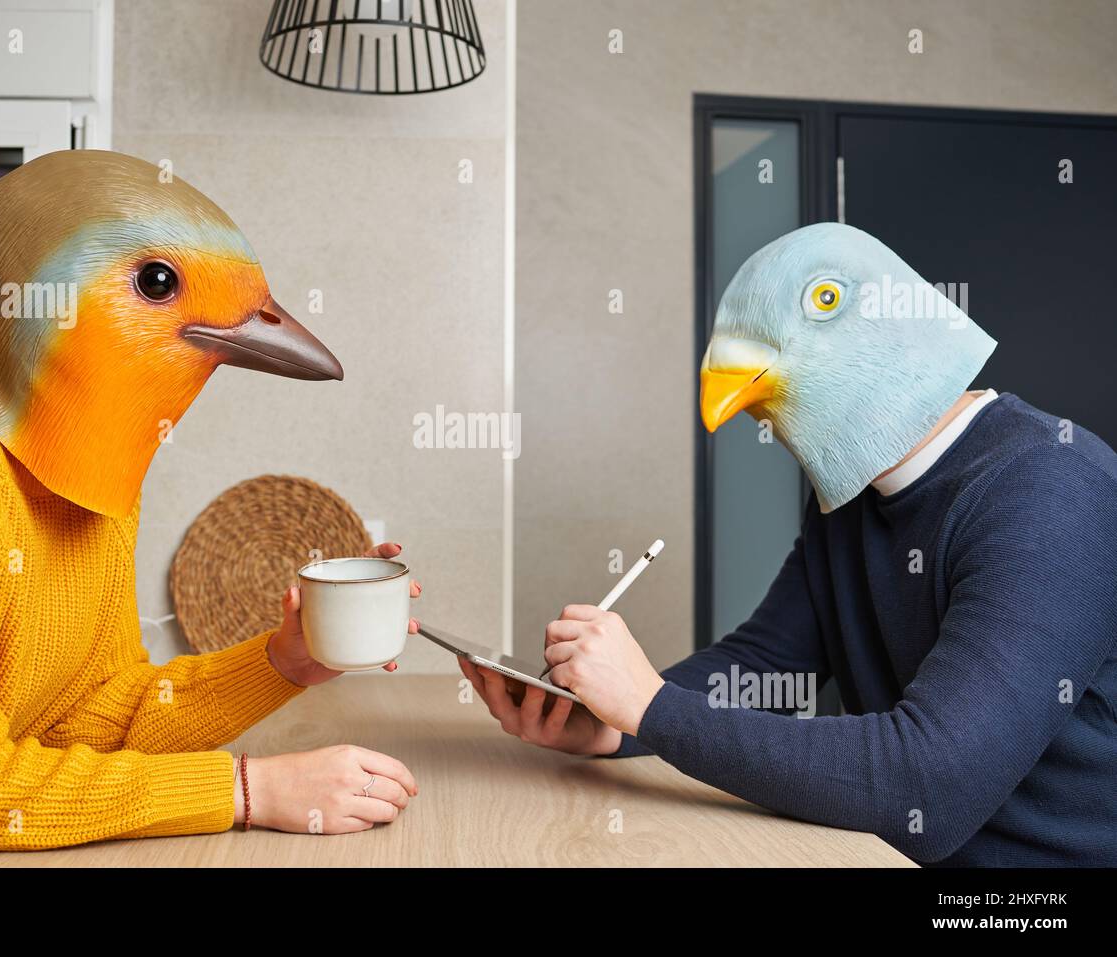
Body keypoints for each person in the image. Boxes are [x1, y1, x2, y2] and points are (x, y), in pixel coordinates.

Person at [0, 150, 418, 852]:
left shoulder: (92, 463)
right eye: (158, 282)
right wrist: (247, 791)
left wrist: (281, 662)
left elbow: (87, 716)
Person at [465, 224, 1117, 866]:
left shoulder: (1053, 489)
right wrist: (613, 725)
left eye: (825, 301)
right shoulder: (852, 500)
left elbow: (929, 789)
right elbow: (767, 665)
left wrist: (651, 706)